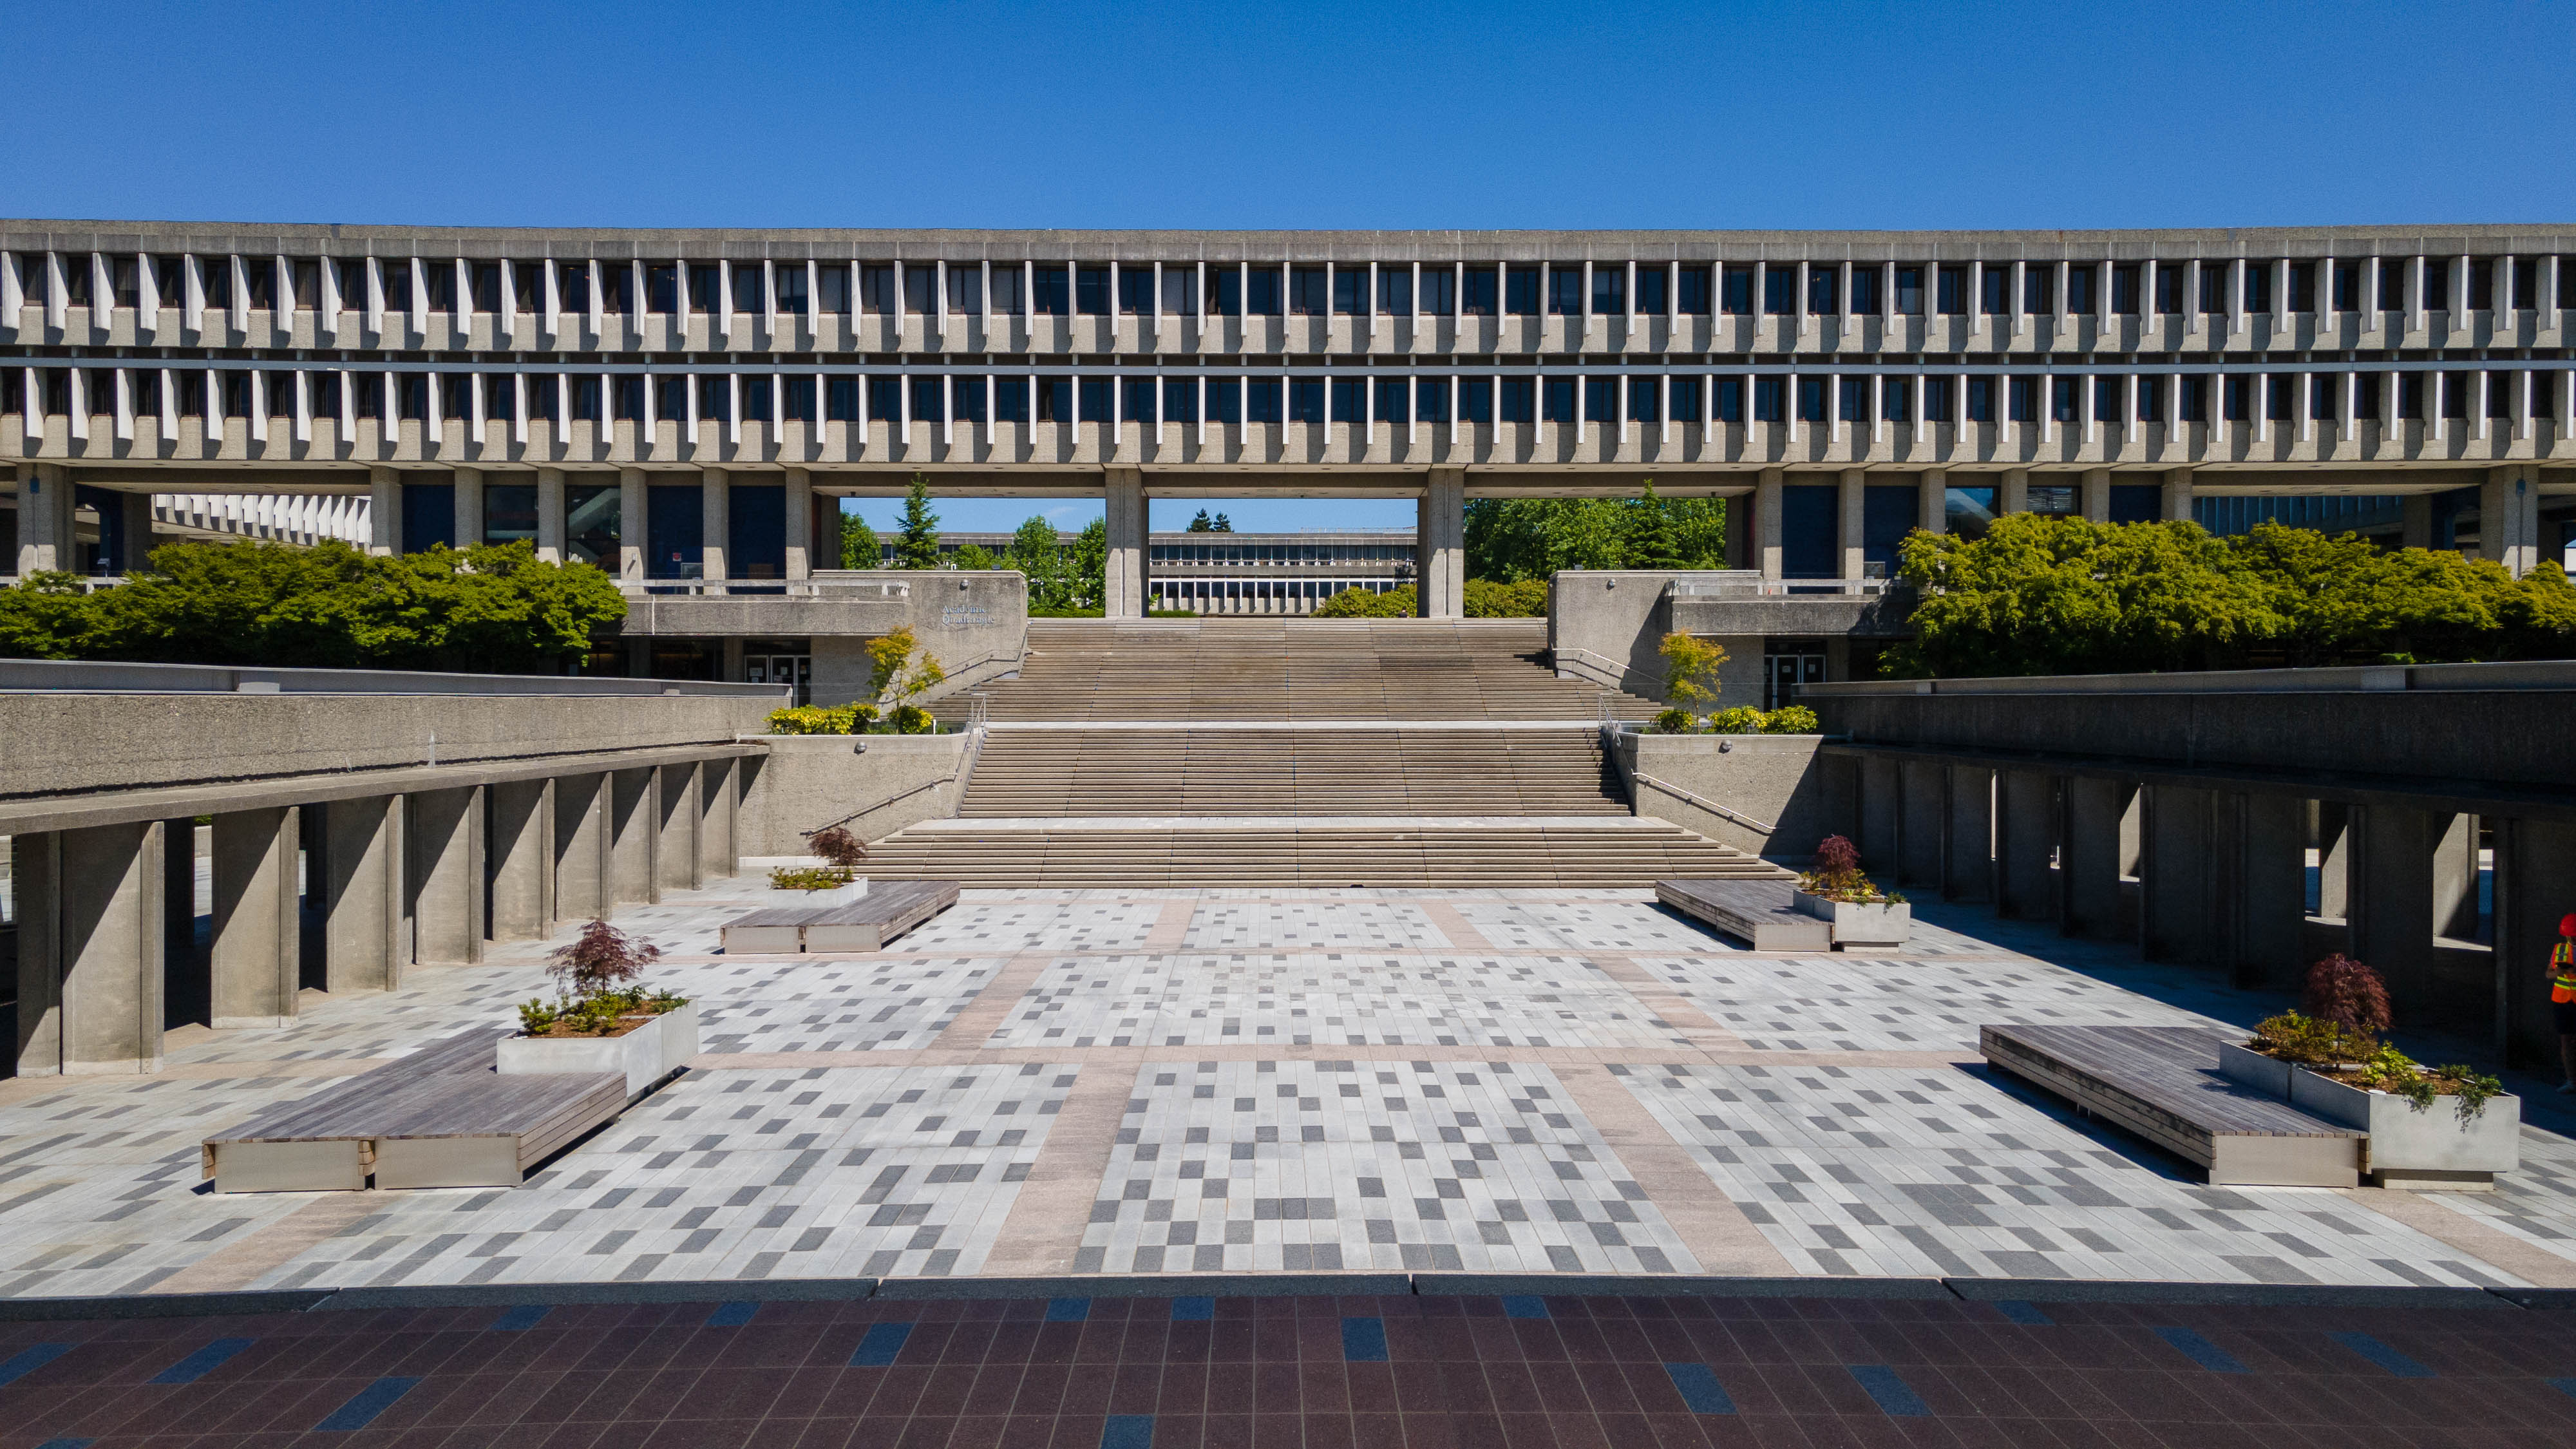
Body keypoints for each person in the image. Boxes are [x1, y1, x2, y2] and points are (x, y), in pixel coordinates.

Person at [2553, 913, 2576, 1093]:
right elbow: (2548, 974)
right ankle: (2571, 1081)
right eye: (2570, 936)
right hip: (2562, 1001)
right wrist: (2560, 972)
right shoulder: (2561, 949)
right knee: (2566, 1041)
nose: (2572, 939)